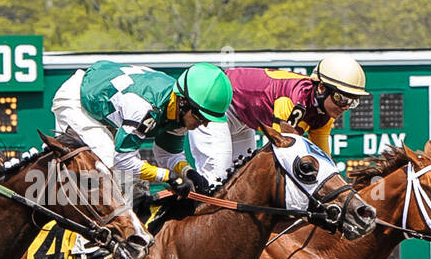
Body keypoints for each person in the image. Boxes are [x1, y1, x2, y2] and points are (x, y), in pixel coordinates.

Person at [51, 60, 232, 200]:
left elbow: (168, 156)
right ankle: (87, 247)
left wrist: (188, 172)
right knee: (108, 166)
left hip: (106, 112)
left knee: (136, 183)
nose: (205, 124)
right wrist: (168, 177)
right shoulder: (145, 107)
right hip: (78, 102)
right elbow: (123, 162)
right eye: (201, 117)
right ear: (184, 103)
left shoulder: (176, 107)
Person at [187, 53, 368, 186]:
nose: (345, 106)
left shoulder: (325, 115)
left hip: (244, 118)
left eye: (352, 102)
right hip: (218, 106)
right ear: (321, 88)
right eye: (341, 98)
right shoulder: (293, 102)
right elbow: (283, 152)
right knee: (217, 178)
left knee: (242, 182)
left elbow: (323, 158)